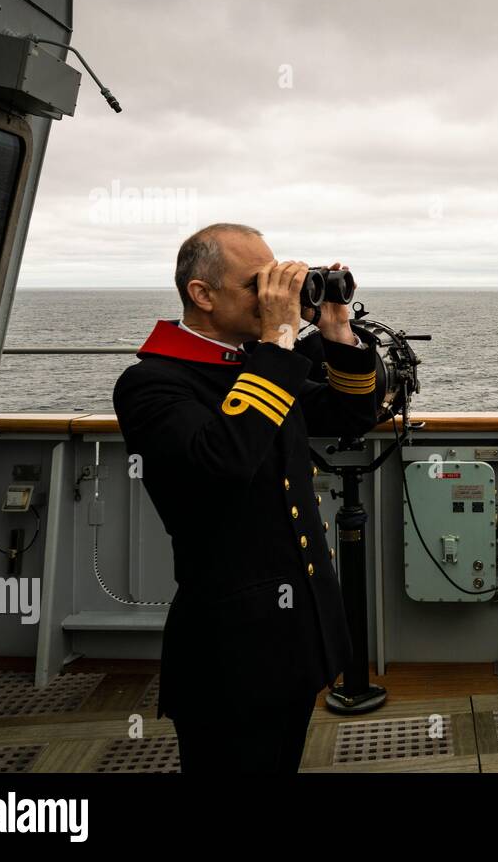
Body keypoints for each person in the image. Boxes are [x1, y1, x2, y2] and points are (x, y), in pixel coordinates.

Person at [112, 222, 386, 772]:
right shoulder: (154, 384)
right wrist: (281, 339)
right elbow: (223, 462)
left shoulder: (251, 368)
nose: (274, 298)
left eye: (278, 284)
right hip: (232, 648)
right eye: (259, 286)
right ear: (202, 295)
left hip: (297, 632)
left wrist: (335, 330)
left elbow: (351, 413)